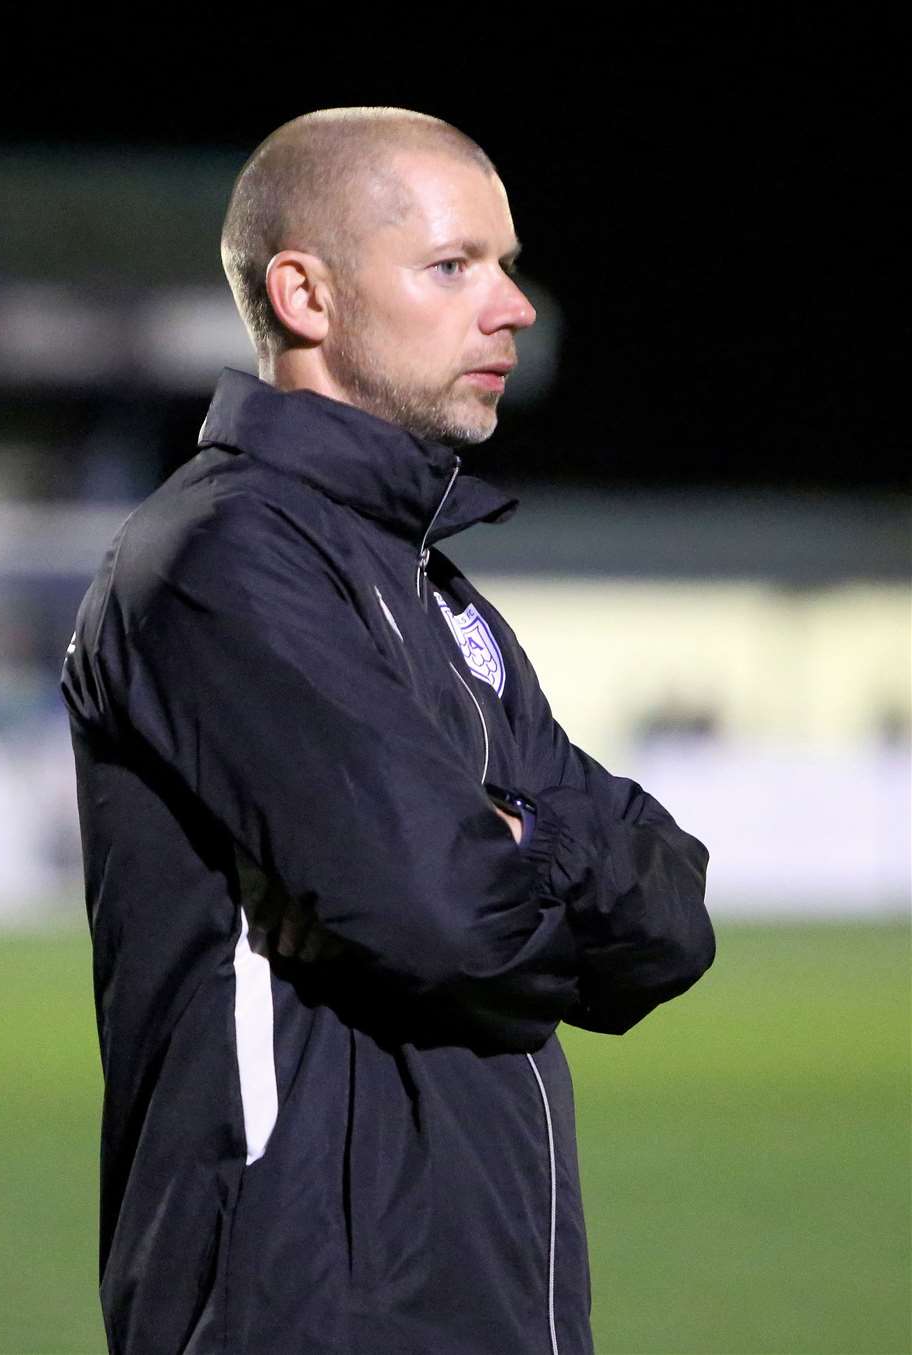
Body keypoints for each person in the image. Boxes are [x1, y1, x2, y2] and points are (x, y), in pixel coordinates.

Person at [61, 107, 716, 1355]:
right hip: (307, 1309)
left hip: (493, 1305)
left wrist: (516, 836)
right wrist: (521, 853)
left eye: (508, 264)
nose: (513, 306)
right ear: (304, 293)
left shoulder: (438, 591)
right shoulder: (220, 558)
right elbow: (448, 913)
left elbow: (672, 917)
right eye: (454, 264)